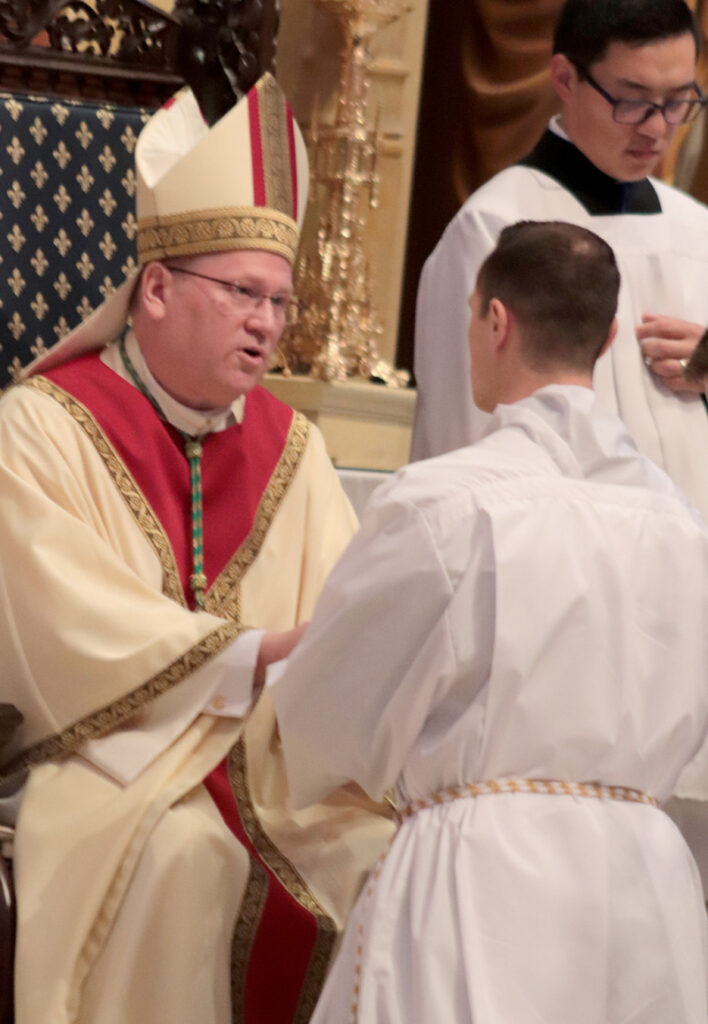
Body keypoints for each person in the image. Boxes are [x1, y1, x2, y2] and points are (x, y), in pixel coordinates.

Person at [0, 74, 392, 1024]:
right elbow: (56, 630)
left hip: (263, 764)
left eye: (280, 303)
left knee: (380, 855)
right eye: (244, 294)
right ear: (159, 289)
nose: (266, 324)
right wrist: (253, 654)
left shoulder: (290, 449)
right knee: (187, 859)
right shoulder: (41, 426)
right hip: (103, 761)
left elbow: (345, 614)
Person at [264, 221, 708, 1023]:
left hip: (480, 884)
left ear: (495, 321)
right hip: (648, 887)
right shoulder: (682, 524)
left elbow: (322, 719)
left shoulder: (441, 504)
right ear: (608, 337)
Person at [412, 0, 708, 523]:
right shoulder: (495, 228)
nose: (657, 129)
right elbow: (460, 444)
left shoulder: (696, 230)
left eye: (679, 100)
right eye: (632, 100)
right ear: (565, 79)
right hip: (560, 573)